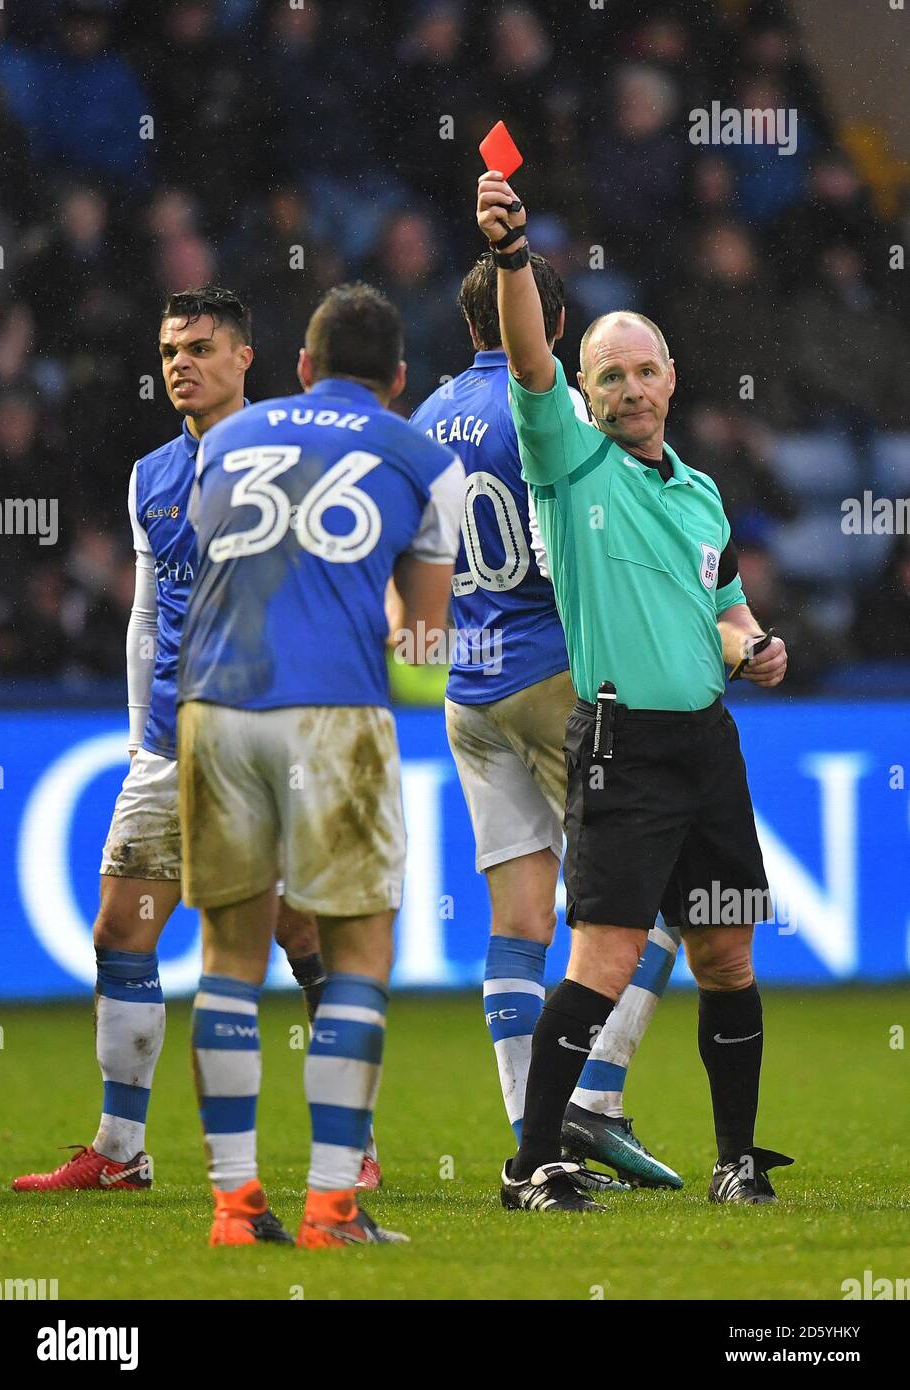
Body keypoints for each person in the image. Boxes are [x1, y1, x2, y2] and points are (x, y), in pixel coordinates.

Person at [475, 169, 793, 1212]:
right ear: (583, 388)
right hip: (617, 742)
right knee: (604, 956)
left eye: (640, 372)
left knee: (725, 951)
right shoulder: (565, 462)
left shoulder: (697, 491)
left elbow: (725, 602)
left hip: (706, 743)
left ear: (670, 376)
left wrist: (750, 646)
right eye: (603, 375)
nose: (624, 390)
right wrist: (512, 256)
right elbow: (526, 357)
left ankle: (736, 1160)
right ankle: (534, 1163)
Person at [11, 286, 331, 1193]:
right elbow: (147, 614)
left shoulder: (294, 461)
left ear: (243, 358)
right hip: (165, 739)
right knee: (121, 928)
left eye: (198, 347)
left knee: (297, 924)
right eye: (167, 352)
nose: (179, 364)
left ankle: (357, 1131)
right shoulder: (151, 474)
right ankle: (119, 1152)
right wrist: (136, 737)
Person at [176, 282, 465, 1247]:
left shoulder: (223, 441)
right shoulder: (421, 455)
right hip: (330, 712)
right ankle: (333, 1207)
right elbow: (423, 650)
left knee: (226, 961)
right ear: (399, 380)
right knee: (356, 956)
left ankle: (231, 1204)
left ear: (300, 366)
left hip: (212, 709)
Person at [410, 251, 681, 1189]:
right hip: (554, 677)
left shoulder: (422, 422)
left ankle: (533, 1150)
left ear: (466, 322)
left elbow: (414, 575)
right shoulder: (555, 407)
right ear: (551, 327)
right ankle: (591, 1105)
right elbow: (574, 548)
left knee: (518, 920)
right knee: (654, 900)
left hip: (465, 692)